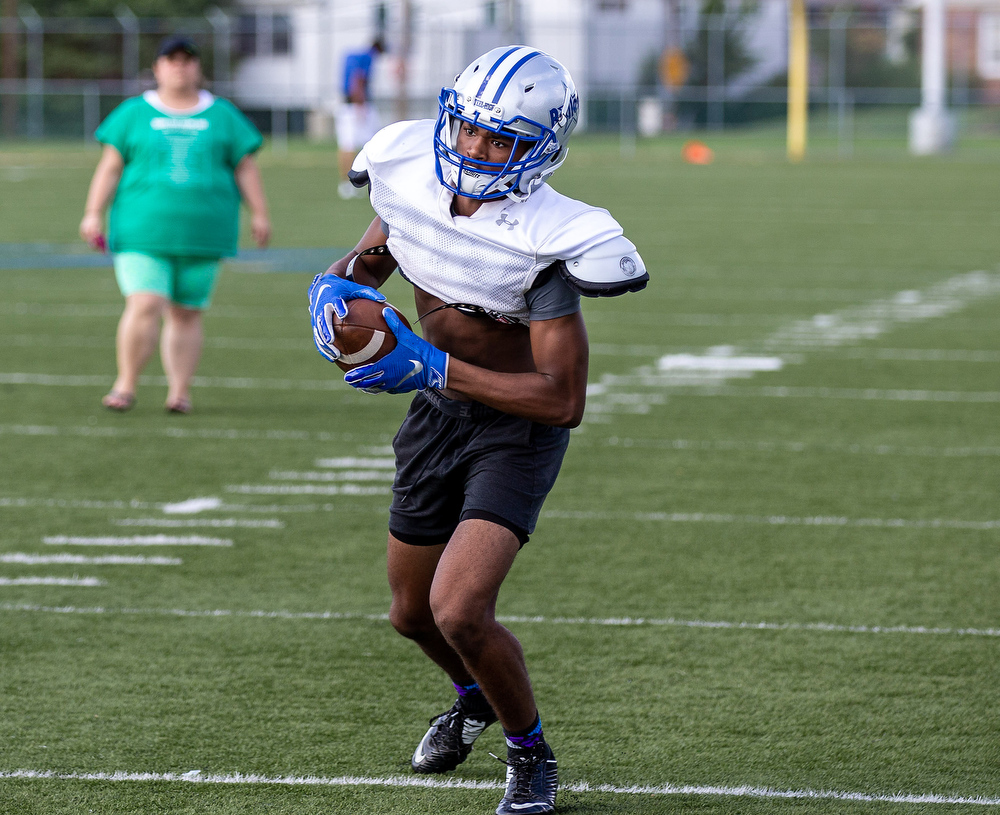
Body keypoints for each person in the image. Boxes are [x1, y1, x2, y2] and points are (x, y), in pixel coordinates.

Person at [308, 46, 647, 815]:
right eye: (465, 130)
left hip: (514, 426)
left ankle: (530, 752)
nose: (473, 151)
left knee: (460, 607)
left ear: (542, 149)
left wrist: (431, 367)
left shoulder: (555, 240)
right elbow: (375, 254)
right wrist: (336, 292)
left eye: (501, 141)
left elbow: (562, 399)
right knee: (409, 613)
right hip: (437, 416)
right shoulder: (406, 172)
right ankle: (471, 697)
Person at [80, 35, 271, 414]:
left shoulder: (222, 113)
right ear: (157, 68)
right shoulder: (134, 112)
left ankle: (179, 393)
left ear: (198, 68)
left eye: (187, 59)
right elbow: (110, 166)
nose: (180, 66)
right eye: (171, 59)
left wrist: (260, 212)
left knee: (186, 312)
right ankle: (126, 384)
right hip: (142, 229)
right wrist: (92, 212)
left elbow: (244, 166)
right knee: (145, 302)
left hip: (204, 232)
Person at [336, 38, 385, 200]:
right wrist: (360, 105)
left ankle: (348, 184)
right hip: (356, 105)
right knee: (366, 144)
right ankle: (353, 183)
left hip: (348, 104)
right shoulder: (367, 57)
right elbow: (357, 79)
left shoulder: (355, 55)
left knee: (349, 144)